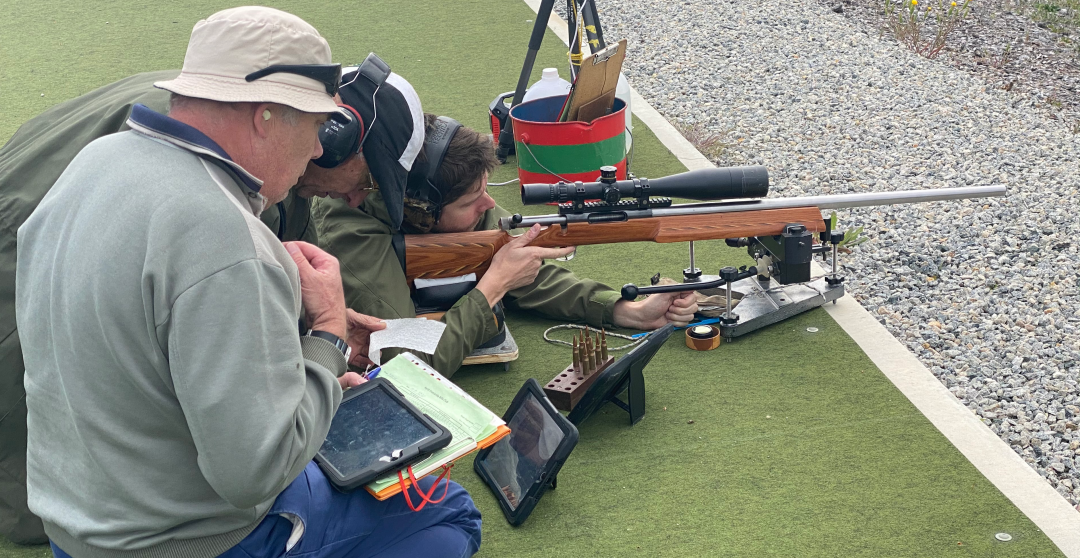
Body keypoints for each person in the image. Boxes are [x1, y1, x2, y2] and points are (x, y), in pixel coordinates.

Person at [15, 7, 480, 558]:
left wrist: (276, 324)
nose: (314, 151)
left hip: (80, 525)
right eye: (312, 128)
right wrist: (328, 336)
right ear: (265, 115)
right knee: (448, 513)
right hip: (191, 540)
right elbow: (255, 473)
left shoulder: (98, 159)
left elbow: (150, 340)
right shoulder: (225, 241)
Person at [313, 114, 698, 376]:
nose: (488, 206)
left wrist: (627, 311)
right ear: (421, 209)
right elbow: (406, 362)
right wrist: (494, 286)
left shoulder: (439, 193)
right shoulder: (351, 237)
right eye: (470, 202)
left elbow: (522, 264)